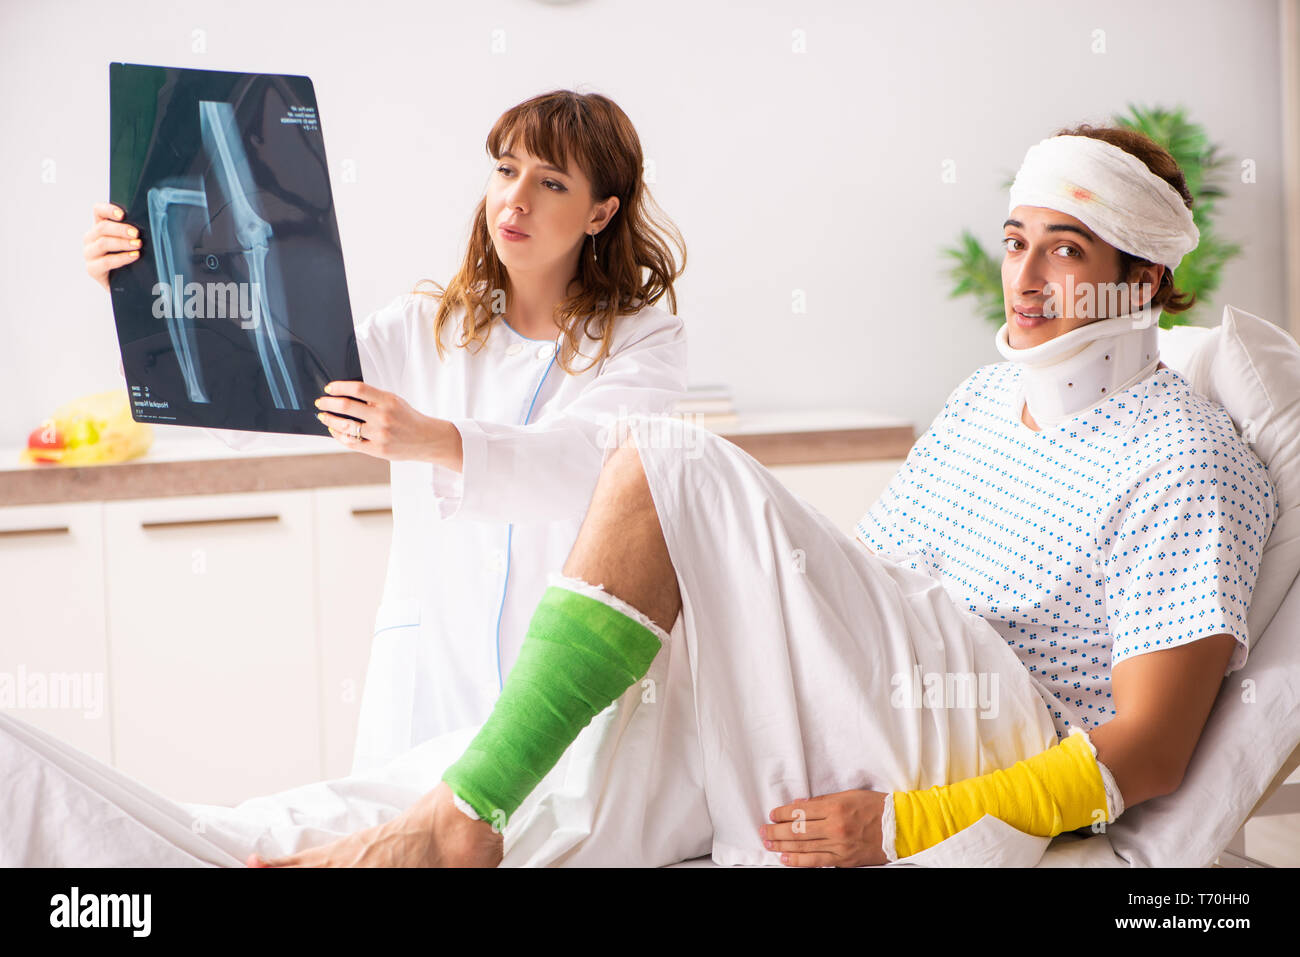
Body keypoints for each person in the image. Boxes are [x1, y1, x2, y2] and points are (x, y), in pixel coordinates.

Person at [8, 124, 1274, 869]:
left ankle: (461, 822)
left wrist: (908, 825)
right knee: (419, 798)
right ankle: (86, 833)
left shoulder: (1181, 454)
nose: (1031, 278)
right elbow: (297, 365)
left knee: (665, 457)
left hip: (977, 726)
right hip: (875, 685)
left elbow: (1151, 752)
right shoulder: (979, 407)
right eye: (1017, 239)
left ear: (1149, 275)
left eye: (1070, 247)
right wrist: (160, 278)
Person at [80, 90, 691, 773]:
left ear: (601, 212)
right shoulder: (421, 328)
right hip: (433, 687)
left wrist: (436, 441)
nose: (515, 200)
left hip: (571, 702)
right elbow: (261, 402)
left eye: (551, 183)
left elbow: (592, 464)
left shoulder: (646, 342)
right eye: (505, 169)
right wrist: (142, 292)